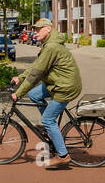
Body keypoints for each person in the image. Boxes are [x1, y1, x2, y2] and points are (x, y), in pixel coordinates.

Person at [9, 21, 83, 170]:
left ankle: (63, 156)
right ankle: (50, 129)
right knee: (35, 94)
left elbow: (36, 74)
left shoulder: (51, 47)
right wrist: (21, 77)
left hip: (65, 87)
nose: (35, 32)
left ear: (48, 29)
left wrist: (18, 93)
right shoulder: (49, 45)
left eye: (38, 30)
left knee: (48, 119)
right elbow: (36, 66)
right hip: (58, 82)